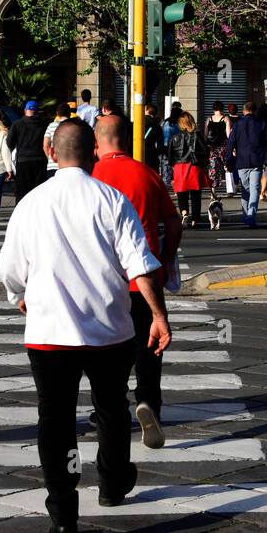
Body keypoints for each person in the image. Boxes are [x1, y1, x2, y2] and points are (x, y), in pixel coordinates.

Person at [0, 117, 170, 533]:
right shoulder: (111, 199)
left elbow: (9, 269)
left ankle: (62, 517)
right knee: (112, 407)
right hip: (109, 332)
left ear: (51, 153)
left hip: (49, 333)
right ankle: (112, 484)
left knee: (54, 421)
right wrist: (158, 315)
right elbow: (141, 263)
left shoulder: (32, 204)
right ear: (92, 150)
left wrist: (18, 295)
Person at [93, 114, 182, 449]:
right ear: (128, 139)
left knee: (107, 354)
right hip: (145, 278)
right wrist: (166, 258)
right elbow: (174, 224)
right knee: (150, 347)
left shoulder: (91, 177)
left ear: (97, 141)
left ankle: (106, 409)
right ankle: (149, 403)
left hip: (103, 283)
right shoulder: (147, 174)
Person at [225, 102, 267, 228]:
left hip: (241, 161)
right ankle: (251, 215)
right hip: (257, 160)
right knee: (255, 189)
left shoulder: (238, 125)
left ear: (244, 111)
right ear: (255, 111)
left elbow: (231, 143)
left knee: (245, 189)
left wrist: (228, 161)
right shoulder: (262, 124)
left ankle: (245, 214)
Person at [168, 112, 208, 228]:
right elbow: (205, 151)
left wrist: (173, 165)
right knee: (196, 195)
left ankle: (184, 212)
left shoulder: (174, 137)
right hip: (194, 167)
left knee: (181, 193)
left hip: (180, 167)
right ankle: (195, 220)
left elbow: (170, 155)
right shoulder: (197, 135)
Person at [7, 101, 49, 203]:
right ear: (37, 111)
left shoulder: (17, 124)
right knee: (39, 191)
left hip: (23, 161)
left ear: (25, 110)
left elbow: (9, 142)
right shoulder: (44, 124)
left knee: (21, 192)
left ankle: (21, 214)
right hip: (40, 161)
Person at [204, 101, 229, 228]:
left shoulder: (208, 119)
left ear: (213, 109)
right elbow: (228, 135)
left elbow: (205, 135)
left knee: (213, 170)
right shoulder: (225, 119)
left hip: (212, 147)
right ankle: (230, 188)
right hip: (223, 147)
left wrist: (207, 145)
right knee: (226, 168)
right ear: (222, 109)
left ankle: (213, 193)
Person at [43, 103, 71, 178]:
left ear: (57, 113)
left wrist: (50, 158)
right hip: (70, 166)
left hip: (53, 166)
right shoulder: (74, 125)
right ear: (69, 113)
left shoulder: (51, 126)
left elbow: (45, 146)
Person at [160, 101, 182, 190]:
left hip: (165, 146)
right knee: (176, 167)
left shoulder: (165, 123)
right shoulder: (178, 124)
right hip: (176, 147)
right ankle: (176, 185)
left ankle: (166, 185)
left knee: (166, 167)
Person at [143, 103, 165, 174]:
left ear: (147, 111)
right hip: (152, 158)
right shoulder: (157, 127)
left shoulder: (138, 123)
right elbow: (160, 145)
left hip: (137, 155)